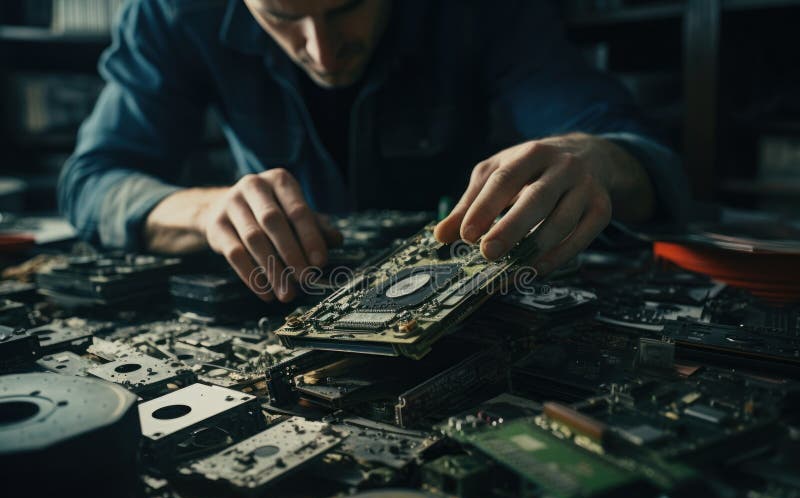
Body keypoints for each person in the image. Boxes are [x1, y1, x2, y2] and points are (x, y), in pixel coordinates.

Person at [59, 0, 688, 303]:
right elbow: (94, 179)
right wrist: (205, 211)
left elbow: (631, 150)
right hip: (284, 302)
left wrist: (595, 160)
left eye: (347, 7)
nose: (322, 52)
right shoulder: (173, 11)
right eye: (281, 16)